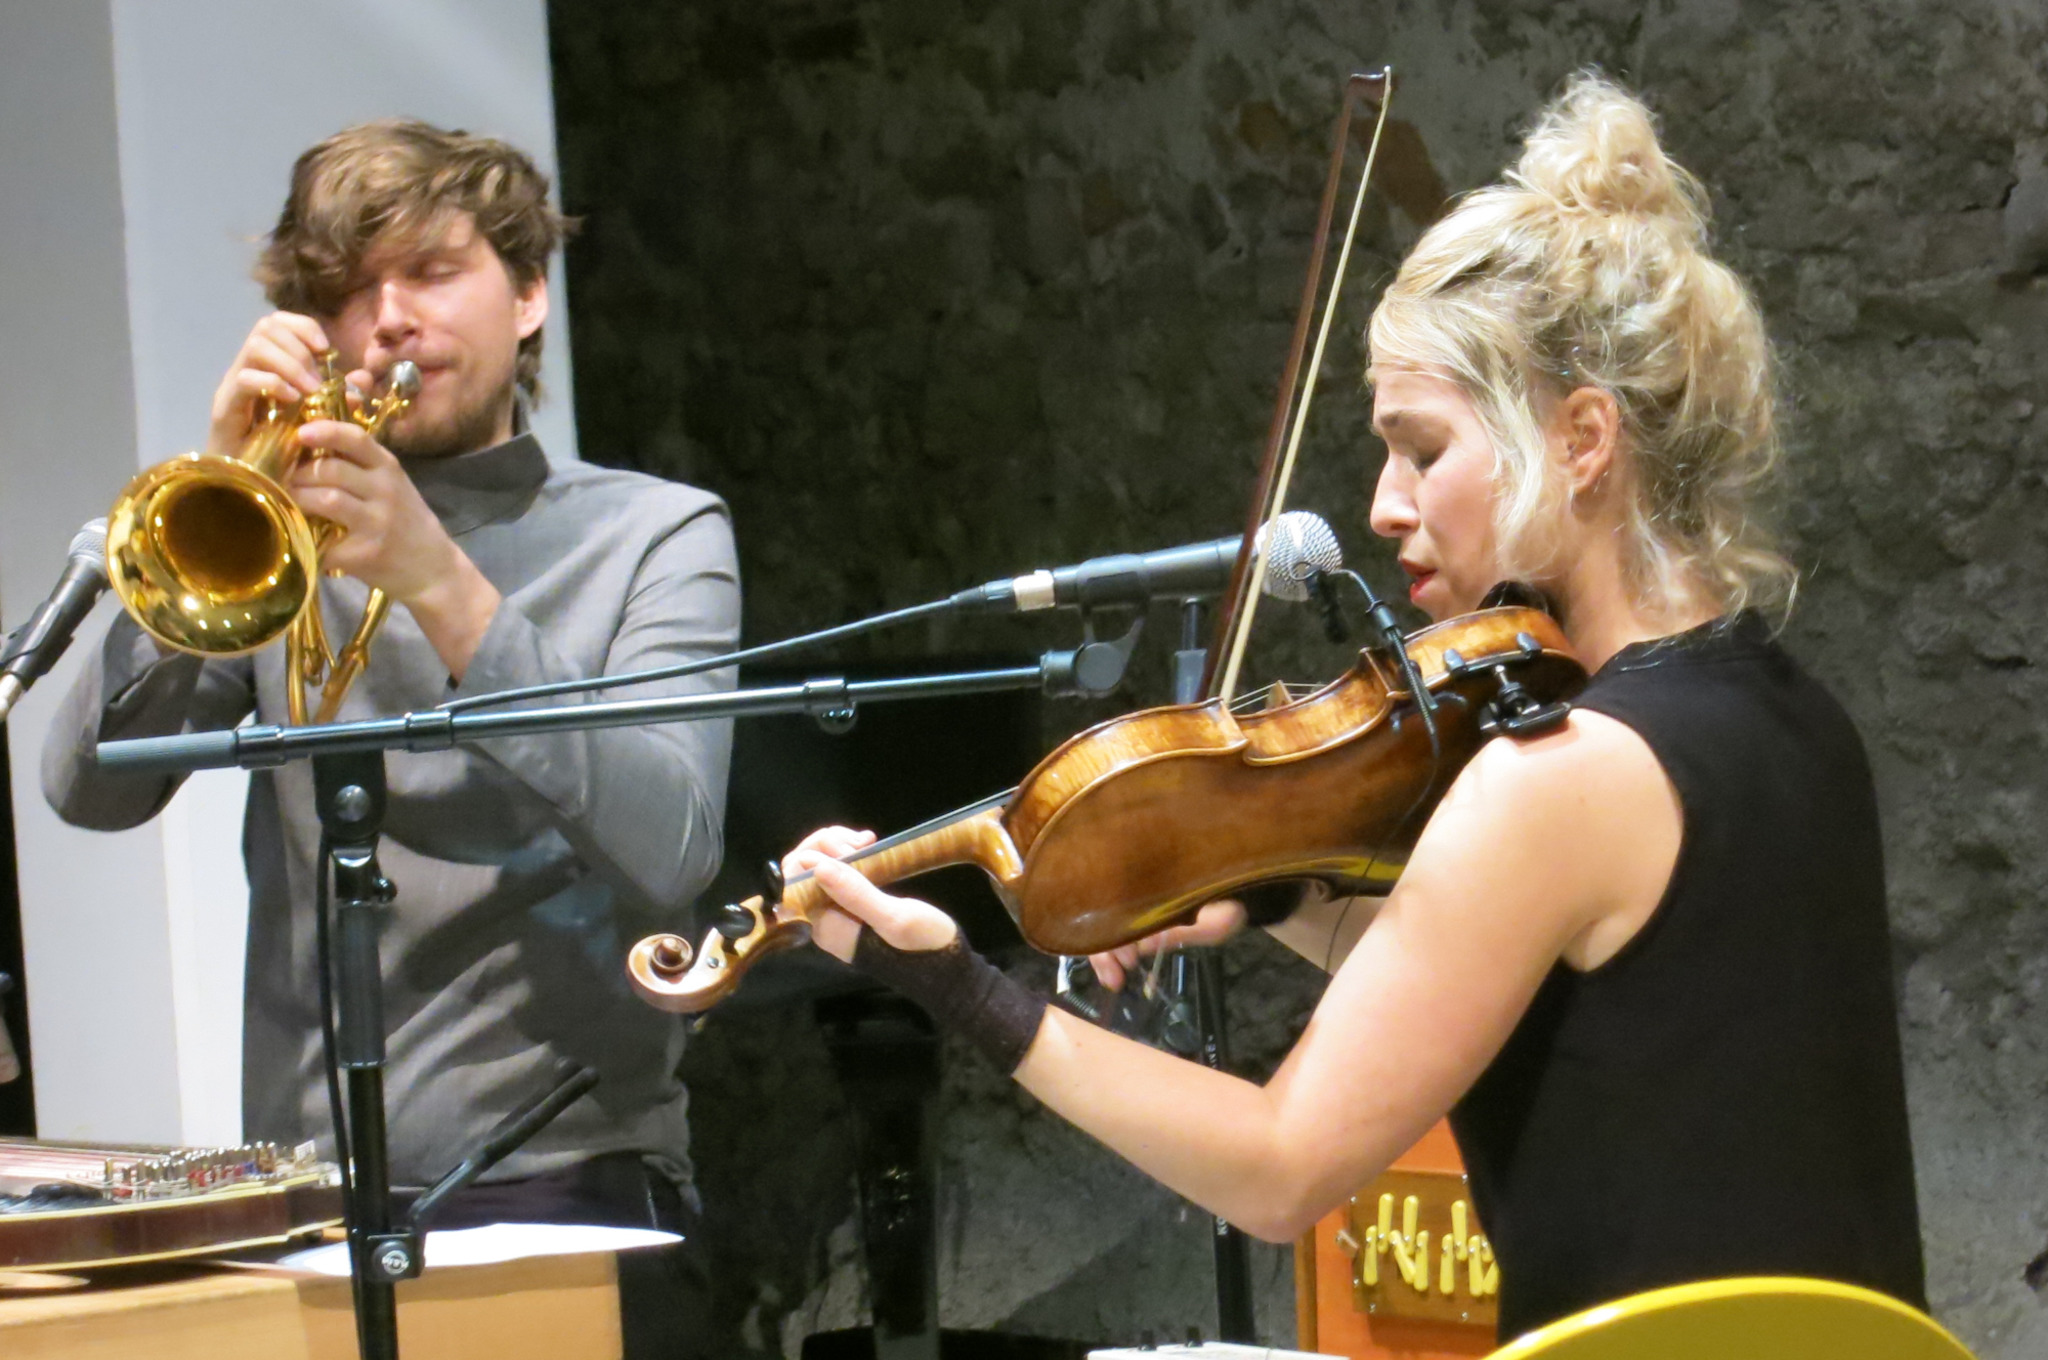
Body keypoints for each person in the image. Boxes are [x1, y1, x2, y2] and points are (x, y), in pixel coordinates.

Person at [778, 75, 1928, 1342]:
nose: (1383, 505)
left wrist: (948, 984)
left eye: (1421, 447)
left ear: (1583, 438)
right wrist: (1277, 888)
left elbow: (1281, 1165)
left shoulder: (1555, 777)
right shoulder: (1796, 718)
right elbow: (1564, 999)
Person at [45, 120, 736, 1358]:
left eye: (429, 271)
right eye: (348, 290)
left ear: (528, 296)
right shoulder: (286, 534)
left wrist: (441, 581)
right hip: (309, 1204)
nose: (388, 319)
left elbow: (672, 843)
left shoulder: (655, 534)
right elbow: (88, 790)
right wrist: (217, 484)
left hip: (564, 1191)